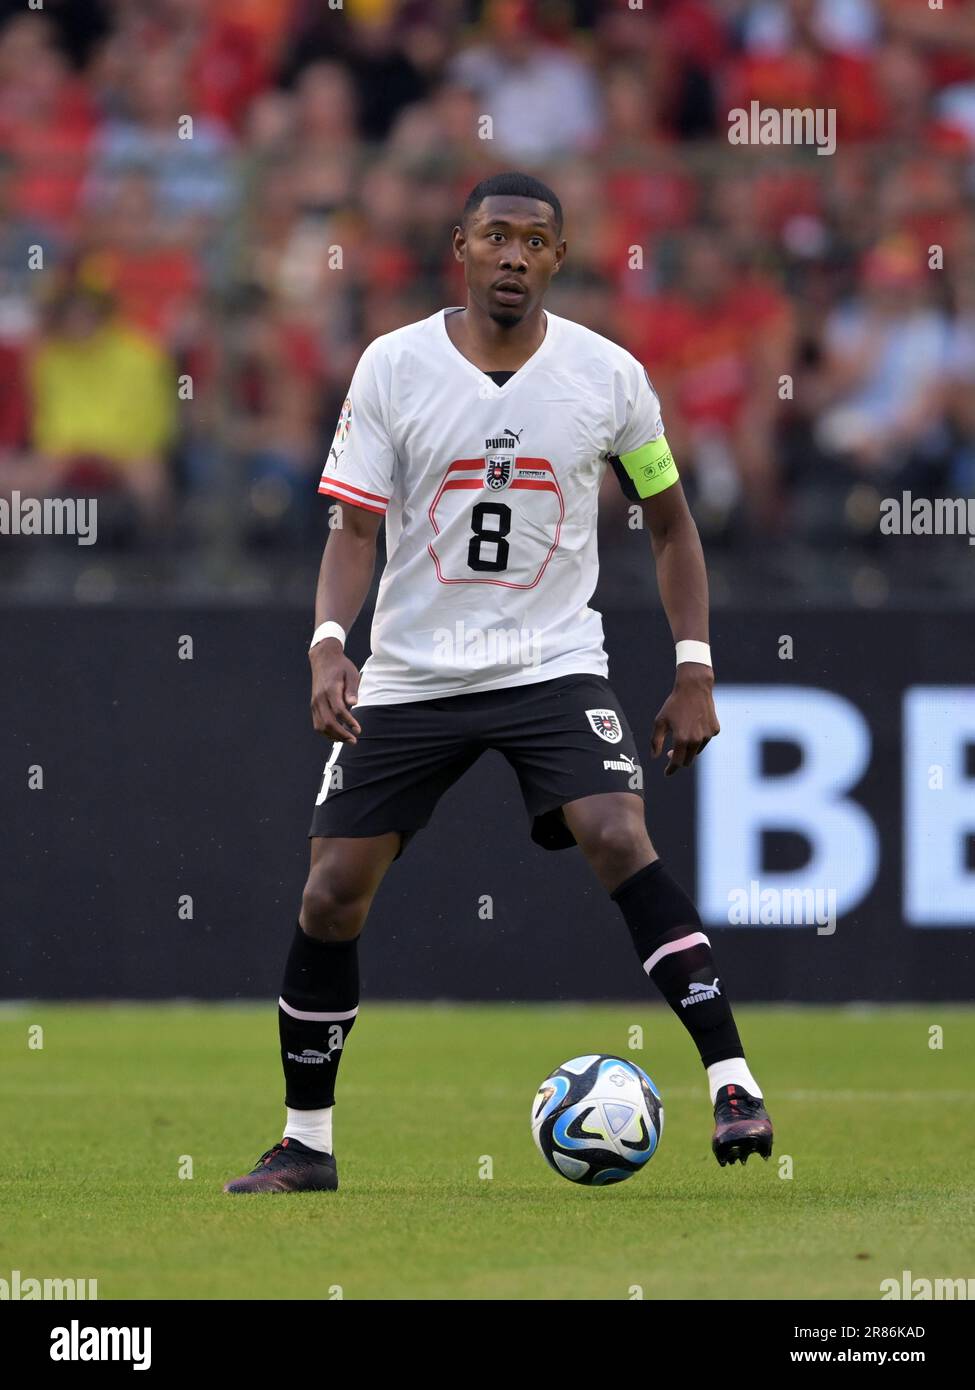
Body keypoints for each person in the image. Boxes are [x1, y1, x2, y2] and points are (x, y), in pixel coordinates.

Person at [224, 172, 773, 1194]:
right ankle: (307, 1142)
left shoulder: (609, 376)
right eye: (496, 236)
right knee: (332, 891)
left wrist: (694, 667)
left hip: (551, 661)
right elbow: (353, 526)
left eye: (535, 240)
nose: (514, 255)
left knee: (615, 829)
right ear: (462, 249)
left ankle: (733, 1082)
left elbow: (670, 525)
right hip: (412, 672)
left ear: (559, 258)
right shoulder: (393, 365)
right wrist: (328, 643)